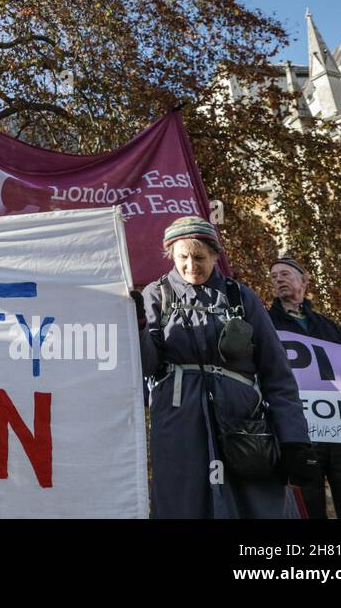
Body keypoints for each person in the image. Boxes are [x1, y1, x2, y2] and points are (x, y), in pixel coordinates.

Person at [136, 216, 317, 518]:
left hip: (244, 421)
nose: (191, 266)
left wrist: (294, 439)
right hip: (179, 421)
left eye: (199, 257)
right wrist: (139, 326)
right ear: (171, 256)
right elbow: (147, 365)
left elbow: (277, 373)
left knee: (256, 504)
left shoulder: (241, 297)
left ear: (216, 256)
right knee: (184, 504)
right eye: (182, 258)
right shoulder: (157, 294)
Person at [266, 256, 341, 519]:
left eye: (284, 274)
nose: (278, 279)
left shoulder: (328, 326)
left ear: (304, 281)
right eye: (273, 277)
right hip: (300, 432)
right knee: (306, 506)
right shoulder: (266, 323)